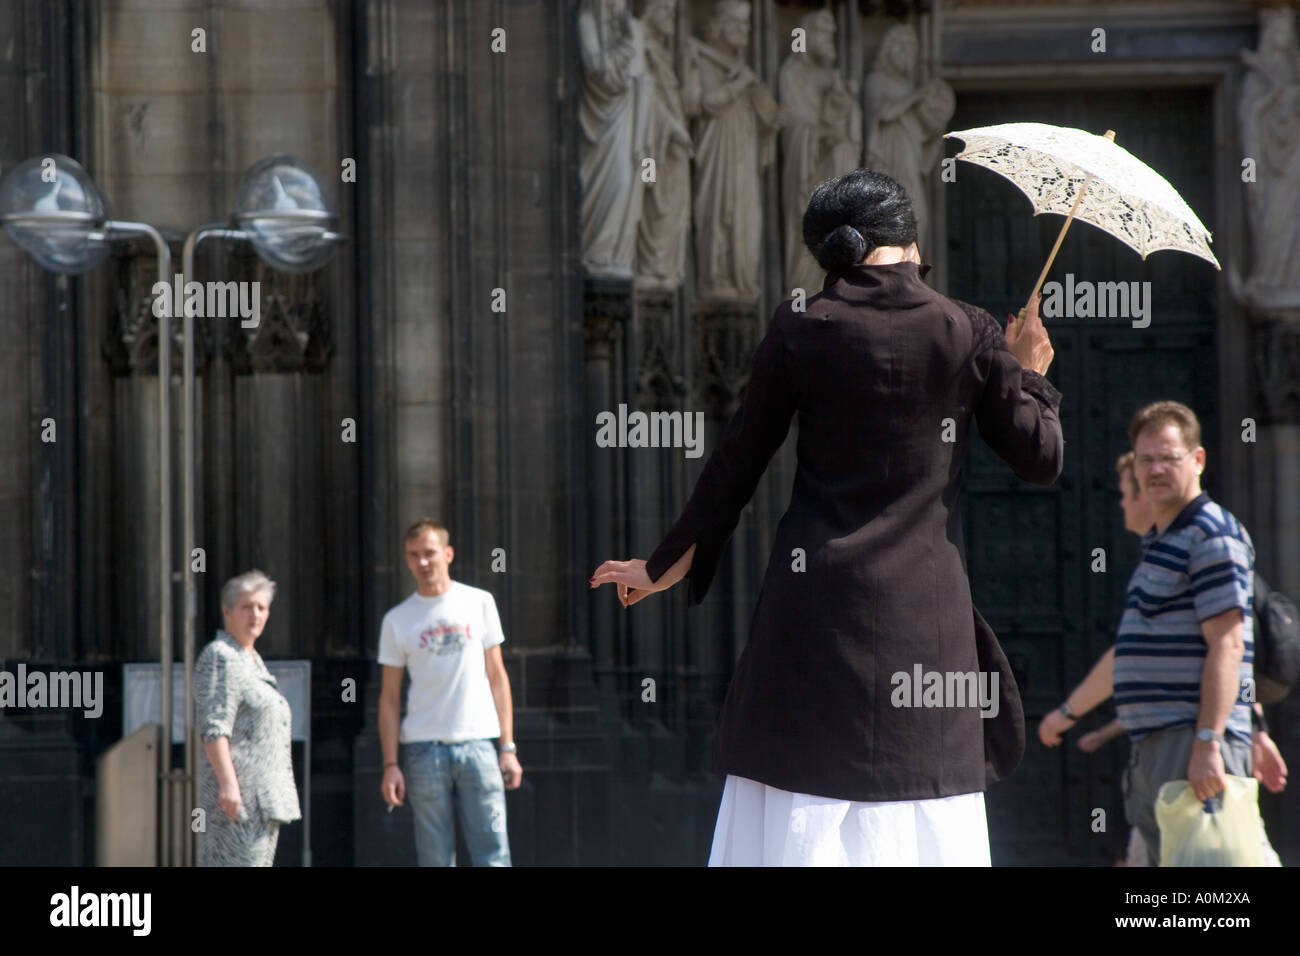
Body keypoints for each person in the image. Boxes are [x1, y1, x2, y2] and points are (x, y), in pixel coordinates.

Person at [591, 168, 1063, 866]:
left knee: (801, 809)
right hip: (921, 621)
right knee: (918, 809)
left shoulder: (802, 324)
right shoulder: (967, 329)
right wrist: (1028, 375)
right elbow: (1041, 458)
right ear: (910, 241)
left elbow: (737, 463)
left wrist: (661, 566)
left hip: (814, 611)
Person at [1039, 449, 1285, 866]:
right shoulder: (1160, 553)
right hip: (1169, 750)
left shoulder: (1204, 540)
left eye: (1124, 493)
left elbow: (1230, 648)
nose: (1120, 503)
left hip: (1193, 748)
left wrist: (1066, 711)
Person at [1103, 401, 1258, 866]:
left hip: (1190, 741)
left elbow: (1229, 645)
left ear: (1197, 460)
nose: (1154, 469)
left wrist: (1209, 740)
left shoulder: (1211, 534)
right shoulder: (1164, 539)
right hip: (1157, 746)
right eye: (1145, 458)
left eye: (1168, 457)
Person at [378, 519, 521, 866]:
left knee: (494, 853)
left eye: (429, 553)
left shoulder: (479, 602)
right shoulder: (397, 619)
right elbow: (389, 697)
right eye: (414, 555)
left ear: (448, 553)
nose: (422, 562)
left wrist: (508, 747)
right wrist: (390, 764)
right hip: (423, 750)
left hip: (478, 744)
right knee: (435, 858)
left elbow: (497, 677)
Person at [194, 570, 301, 867]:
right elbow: (214, 727)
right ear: (227, 612)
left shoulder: (252, 661)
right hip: (236, 802)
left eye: (262, 607)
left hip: (263, 802)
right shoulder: (221, 656)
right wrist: (228, 785)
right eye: (246, 607)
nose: (255, 614)